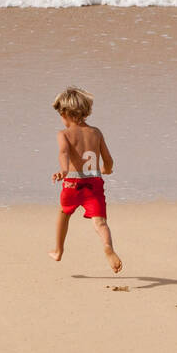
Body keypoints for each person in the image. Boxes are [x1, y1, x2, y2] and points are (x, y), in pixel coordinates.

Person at [49, 86, 122, 274]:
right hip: (94, 183)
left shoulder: (64, 134)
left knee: (63, 214)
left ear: (65, 113)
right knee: (100, 223)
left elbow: (64, 152)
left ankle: (58, 250)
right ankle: (108, 247)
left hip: (72, 183)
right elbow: (108, 160)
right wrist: (107, 169)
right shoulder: (96, 133)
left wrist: (63, 171)